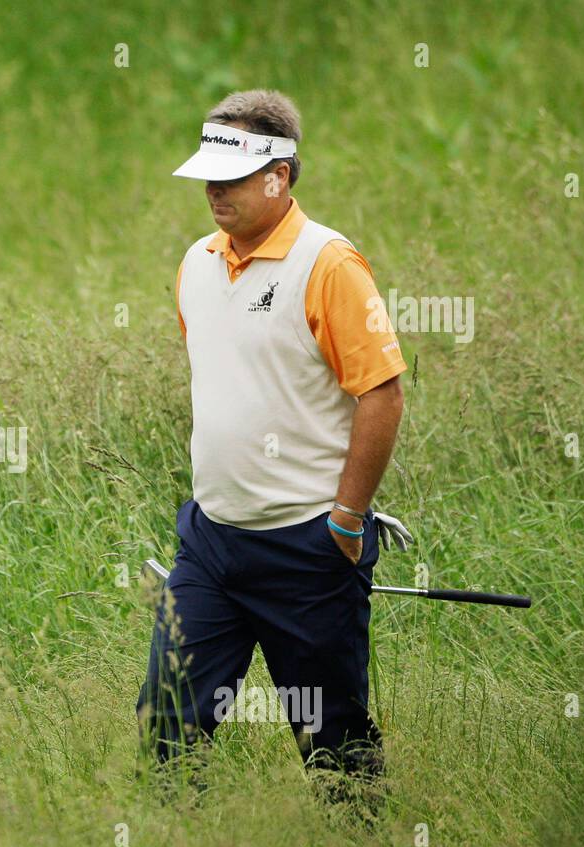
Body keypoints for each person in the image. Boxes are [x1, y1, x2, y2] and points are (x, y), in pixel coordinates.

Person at [138, 89, 412, 807]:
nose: (213, 190)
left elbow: (381, 393)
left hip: (309, 548)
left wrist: (348, 520)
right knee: (166, 723)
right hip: (211, 542)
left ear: (280, 175)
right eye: (207, 175)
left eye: (230, 176)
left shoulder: (329, 264)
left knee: (335, 746)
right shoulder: (197, 263)